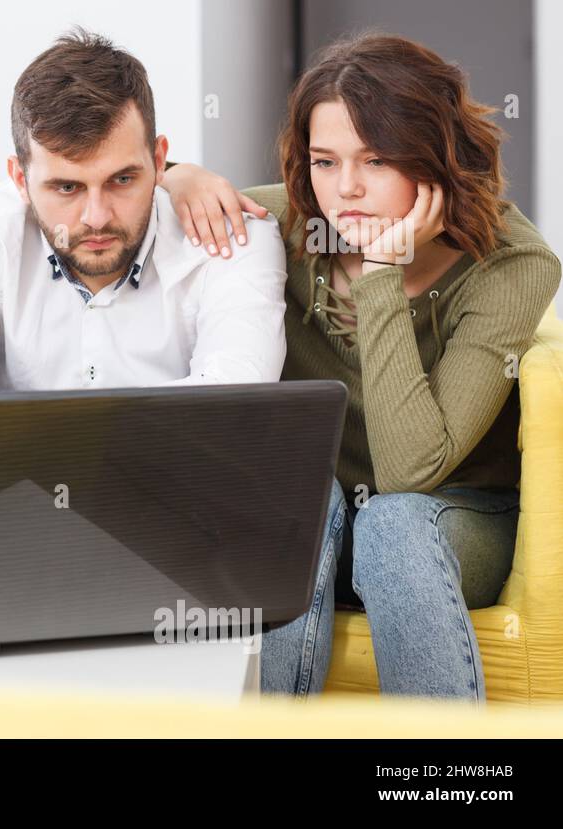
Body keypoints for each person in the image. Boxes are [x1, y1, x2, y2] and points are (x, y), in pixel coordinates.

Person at [160, 33, 561, 701]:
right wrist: (182, 178)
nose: (345, 189)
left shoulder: (513, 264)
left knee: (393, 519)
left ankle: (437, 773)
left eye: (377, 158)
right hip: (318, 529)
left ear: (438, 154)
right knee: (303, 500)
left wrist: (380, 274)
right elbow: (168, 196)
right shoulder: (289, 225)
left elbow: (409, 471)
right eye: (324, 160)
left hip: (448, 526)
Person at [0, 29, 288, 559]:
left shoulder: (234, 236)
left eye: (122, 180)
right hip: (26, 507)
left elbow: (234, 405)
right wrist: (60, 461)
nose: (96, 217)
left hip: (176, 509)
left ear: (161, 161)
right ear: (19, 179)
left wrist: (49, 449)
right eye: (67, 187)